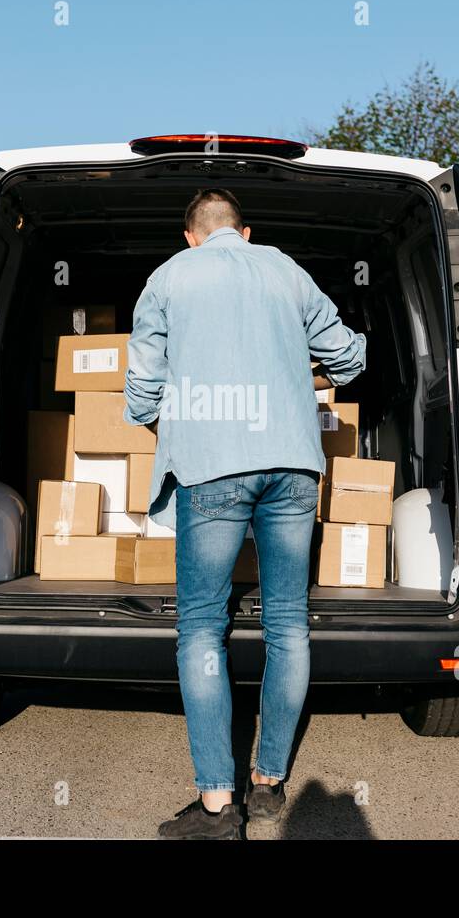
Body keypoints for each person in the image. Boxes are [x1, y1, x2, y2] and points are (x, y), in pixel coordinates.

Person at [123, 188, 366, 839]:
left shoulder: (169, 278)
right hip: (292, 465)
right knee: (288, 625)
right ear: (246, 231)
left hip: (213, 469)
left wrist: (173, 420)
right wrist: (307, 369)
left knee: (203, 629)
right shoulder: (284, 269)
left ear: (190, 236)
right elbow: (350, 356)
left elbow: (142, 390)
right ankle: (267, 785)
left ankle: (216, 808)